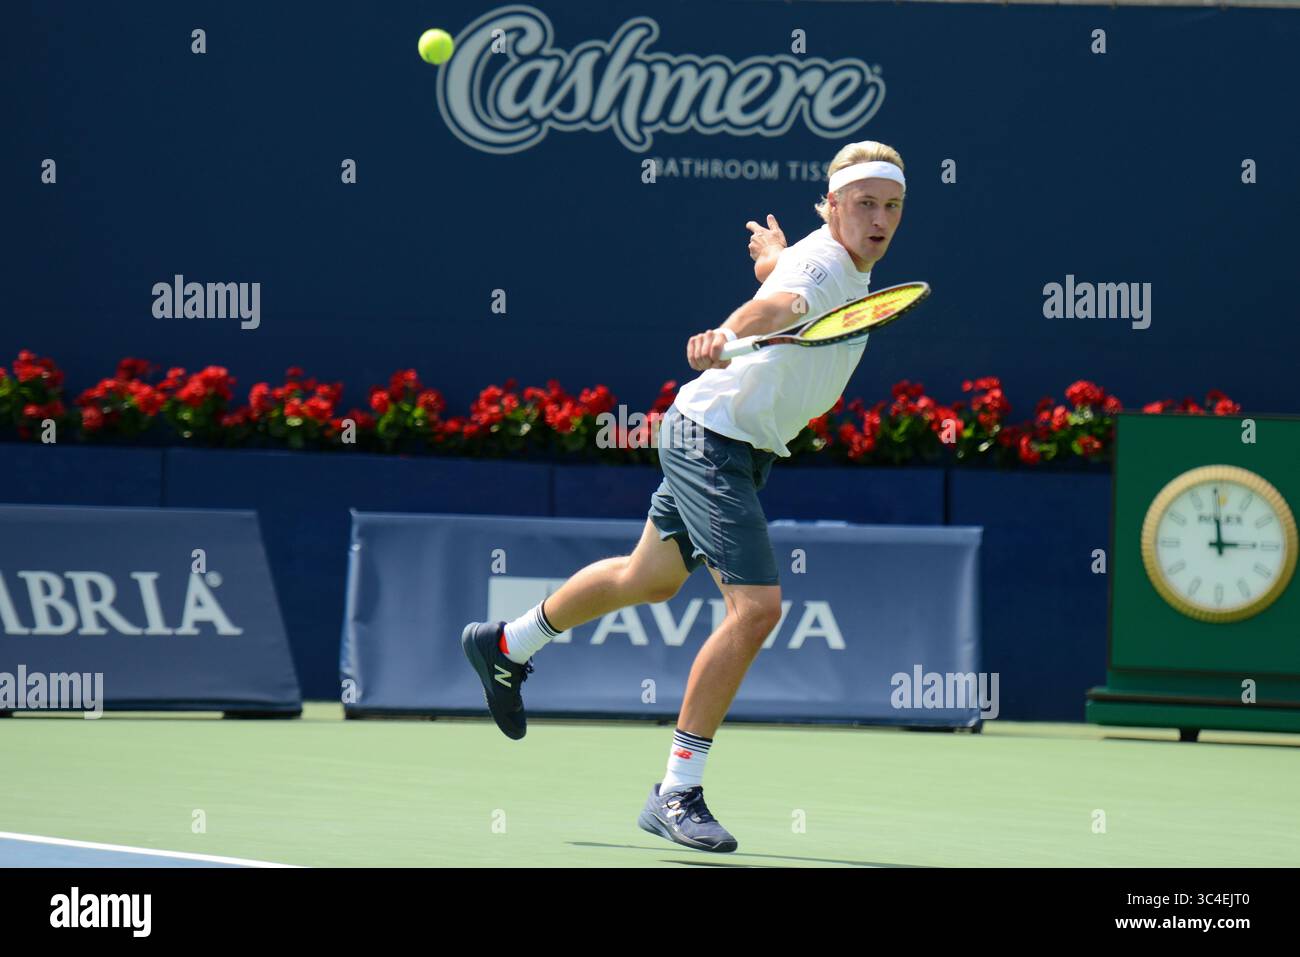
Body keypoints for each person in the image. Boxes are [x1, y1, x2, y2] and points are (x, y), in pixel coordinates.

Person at [462, 140, 907, 853]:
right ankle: (676, 789)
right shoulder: (823, 265)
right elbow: (781, 303)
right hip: (714, 441)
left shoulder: (829, 259)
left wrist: (771, 254)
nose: (879, 219)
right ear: (833, 205)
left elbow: (781, 279)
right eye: (864, 204)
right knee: (757, 609)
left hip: (731, 439)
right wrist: (729, 330)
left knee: (651, 579)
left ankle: (508, 643)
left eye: (891, 207)